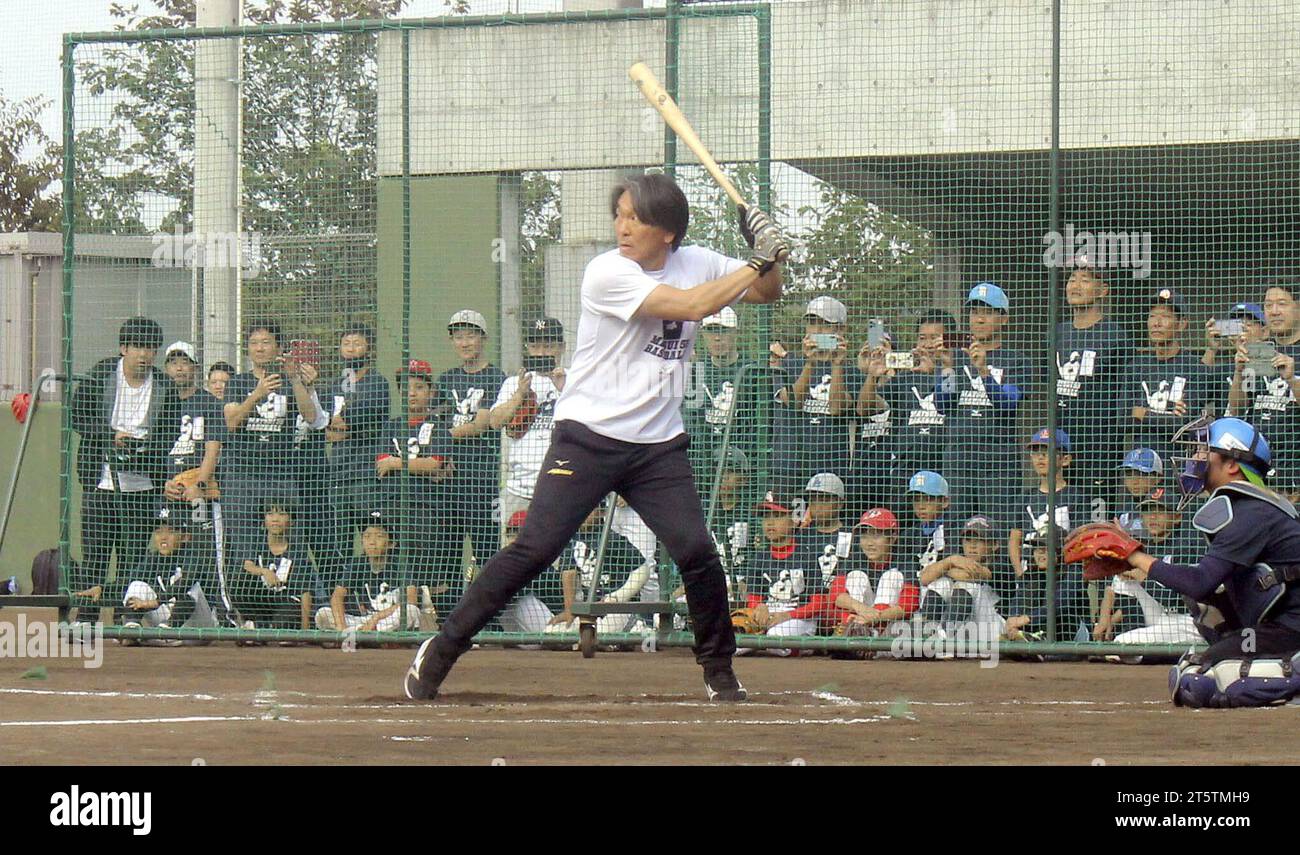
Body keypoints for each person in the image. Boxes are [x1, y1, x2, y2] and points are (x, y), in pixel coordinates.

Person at [404, 172, 787, 702]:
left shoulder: (698, 260)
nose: (622, 227)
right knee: (534, 549)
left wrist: (767, 253)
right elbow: (693, 306)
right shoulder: (606, 272)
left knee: (697, 551)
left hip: (657, 447)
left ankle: (719, 671)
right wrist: (753, 259)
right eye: (620, 215)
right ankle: (442, 649)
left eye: (636, 218)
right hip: (587, 437)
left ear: (669, 232)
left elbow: (766, 292)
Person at [1108, 417, 1300, 707]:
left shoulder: (1252, 510)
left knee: (1197, 680)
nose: (1195, 459)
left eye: (1203, 451)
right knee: (1196, 663)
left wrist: (1134, 555)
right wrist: (1131, 561)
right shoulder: (1245, 505)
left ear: (1232, 465)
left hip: (1290, 630)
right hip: (1271, 628)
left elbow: (1199, 581)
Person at [69, 317, 180, 609]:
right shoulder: (102, 374)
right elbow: (77, 417)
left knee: (132, 559)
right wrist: (111, 436)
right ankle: (87, 620)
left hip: (142, 486)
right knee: (96, 555)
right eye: (138, 346)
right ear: (123, 348)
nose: (144, 354)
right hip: (101, 481)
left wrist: (142, 451)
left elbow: (169, 434)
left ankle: (125, 620)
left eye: (151, 348)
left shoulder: (165, 386)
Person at [222, 320, 326, 562]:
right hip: (242, 474)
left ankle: (289, 593)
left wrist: (296, 380)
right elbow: (232, 422)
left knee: (288, 544)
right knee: (243, 546)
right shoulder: (238, 382)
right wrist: (257, 394)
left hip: (281, 474)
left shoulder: (290, 381)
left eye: (266, 342)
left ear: (278, 348)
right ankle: (244, 595)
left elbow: (311, 417)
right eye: (254, 343)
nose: (259, 348)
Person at [935, 283, 1029, 522]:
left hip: (998, 459)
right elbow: (942, 406)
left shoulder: (1018, 359)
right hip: (958, 457)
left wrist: (983, 372)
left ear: (1003, 319)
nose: (978, 319)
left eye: (987, 312)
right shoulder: (955, 356)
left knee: (998, 526)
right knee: (956, 526)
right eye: (974, 312)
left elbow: (1009, 403)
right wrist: (947, 368)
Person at [158, 340, 232, 625]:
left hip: (201, 491)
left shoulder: (209, 403)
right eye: (173, 362)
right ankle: (172, 611)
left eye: (184, 362)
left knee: (208, 552)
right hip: (171, 491)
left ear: (195, 368)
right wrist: (164, 482)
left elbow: (214, 447)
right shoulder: (162, 405)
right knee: (173, 551)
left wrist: (199, 484)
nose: (178, 367)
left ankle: (223, 614)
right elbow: (157, 451)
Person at [376, 359, 456, 614]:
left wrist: (396, 462)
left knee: (431, 575)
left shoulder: (439, 427)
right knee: (401, 573)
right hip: (394, 509)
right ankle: (406, 621)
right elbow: (380, 464)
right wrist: (413, 464)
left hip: (428, 510)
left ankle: (436, 624)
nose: (412, 393)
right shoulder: (391, 425)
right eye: (407, 387)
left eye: (419, 387)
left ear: (431, 392)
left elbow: (434, 464)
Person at [855, 310, 955, 509]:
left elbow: (952, 401)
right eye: (921, 338)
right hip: (905, 470)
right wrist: (872, 376)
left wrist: (935, 372)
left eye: (934, 337)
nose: (926, 344)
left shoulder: (957, 373)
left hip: (945, 466)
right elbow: (864, 409)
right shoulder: (904, 379)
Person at [437, 309, 508, 580]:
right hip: (447, 482)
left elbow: (481, 424)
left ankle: (491, 619)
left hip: (483, 481)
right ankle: (448, 618)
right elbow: (433, 424)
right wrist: (439, 457)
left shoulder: (496, 378)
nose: (464, 343)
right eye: (458, 337)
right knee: (446, 558)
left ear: (483, 339)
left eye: (470, 336)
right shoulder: (445, 380)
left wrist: (445, 436)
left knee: (488, 552)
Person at [1054, 260, 1130, 493]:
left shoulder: (1115, 335)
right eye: (1072, 279)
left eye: (1085, 280)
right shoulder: (1057, 332)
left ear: (1103, 290)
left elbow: (1124, 390)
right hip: (1062, 438)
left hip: (1100, 442)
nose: (1075, 285)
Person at [321, 323, 392, 568]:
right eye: (346, 344)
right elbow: (325, 423)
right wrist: (337, 426)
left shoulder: (377, 382)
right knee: (339, 543)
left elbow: (361, 419)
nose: (351, 350)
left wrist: (343, 426)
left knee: (371, 538)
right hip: (339, 474)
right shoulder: (334, 384)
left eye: (357, 343)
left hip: (367, 476)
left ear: (368, 348)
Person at [773, 296, 861, 492]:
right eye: (812, 323)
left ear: (841, 329)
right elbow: (793, 402)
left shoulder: (852, 371)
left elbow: (837, 407)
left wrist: (837, 364)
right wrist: (810, 363)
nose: (817, 330)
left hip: (832, 467)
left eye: (825, 324)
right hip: (789, 466)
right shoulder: (788, 363)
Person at [490, 317, 567, 526]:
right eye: (535, 346)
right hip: (518, 489)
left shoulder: (574, 380)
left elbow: (590, 422)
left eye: (549, 345)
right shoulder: (514, 382)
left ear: (562, 347)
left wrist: (564, 390)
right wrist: (519, 395)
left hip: (562, 489)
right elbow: (495, 421)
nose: (541, 352)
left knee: (558, 556)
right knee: (512, 553)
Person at [1124, 288, 1206, 464]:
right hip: (1140, 464)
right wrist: (1167, 416)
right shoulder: (1136, 366)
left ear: (1182, 323)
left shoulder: (1195, 368)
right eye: (1153, 316)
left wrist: (1143, 414)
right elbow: (1121, 417)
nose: (1157, 323)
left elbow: (1185, 424)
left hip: (1178, 464)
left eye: (1165, 317)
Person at [1005, 428, 1095, 576]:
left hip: (1066, 574)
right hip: (1031, 574)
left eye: (1047, 453)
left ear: (1065, 459)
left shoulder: (1076, 496)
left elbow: (1082, 538)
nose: (1040, 457)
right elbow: (1015, 539)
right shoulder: (1025, 498)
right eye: (1035, 452)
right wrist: (1019, 571)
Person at [232, 498, 318, 631]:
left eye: (282, 514)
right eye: (270, 514)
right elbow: (247, 565)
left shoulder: (298, 551)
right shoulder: (257, 542)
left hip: (286, 602)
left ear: (291, 521)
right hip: (262, 600)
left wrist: (304, 630)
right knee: (239, 581)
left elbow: (305, 592)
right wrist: (264, 571)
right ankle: (250, 623)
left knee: (284, 630)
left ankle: (260, 628)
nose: (275, 519)